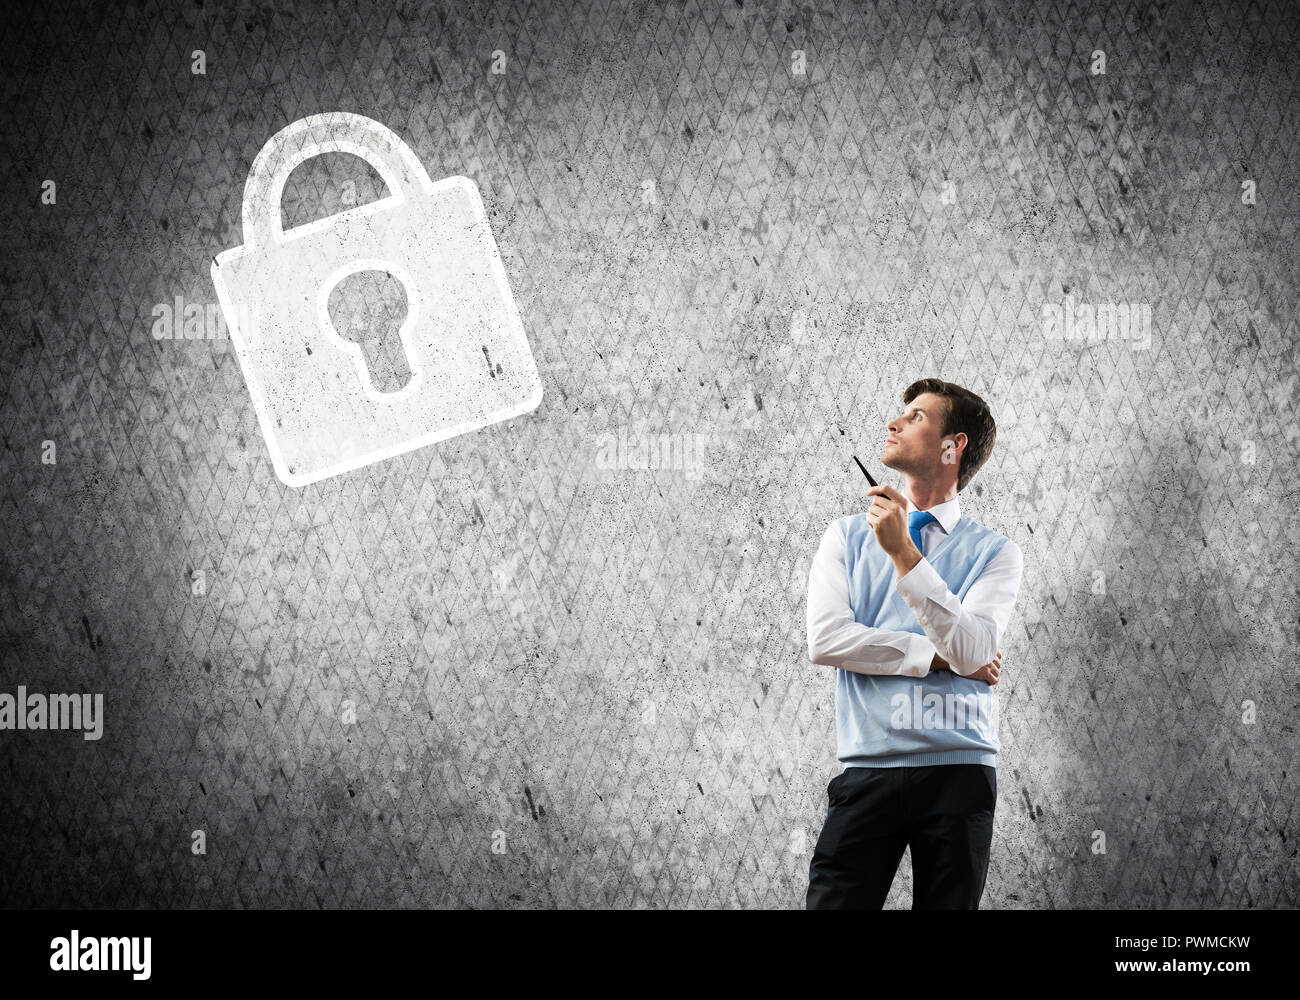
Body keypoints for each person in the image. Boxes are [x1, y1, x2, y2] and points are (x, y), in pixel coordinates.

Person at [805, 378, 1023, 909]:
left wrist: (904, 553)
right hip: (869, 767)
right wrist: (937, 655)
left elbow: (976, 653)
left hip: (960, 772)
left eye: (918, 416)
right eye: (901, 413)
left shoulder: (997, 554)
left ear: (954, 446)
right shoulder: (845, 536)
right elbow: (827, 640)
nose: (894, 422)